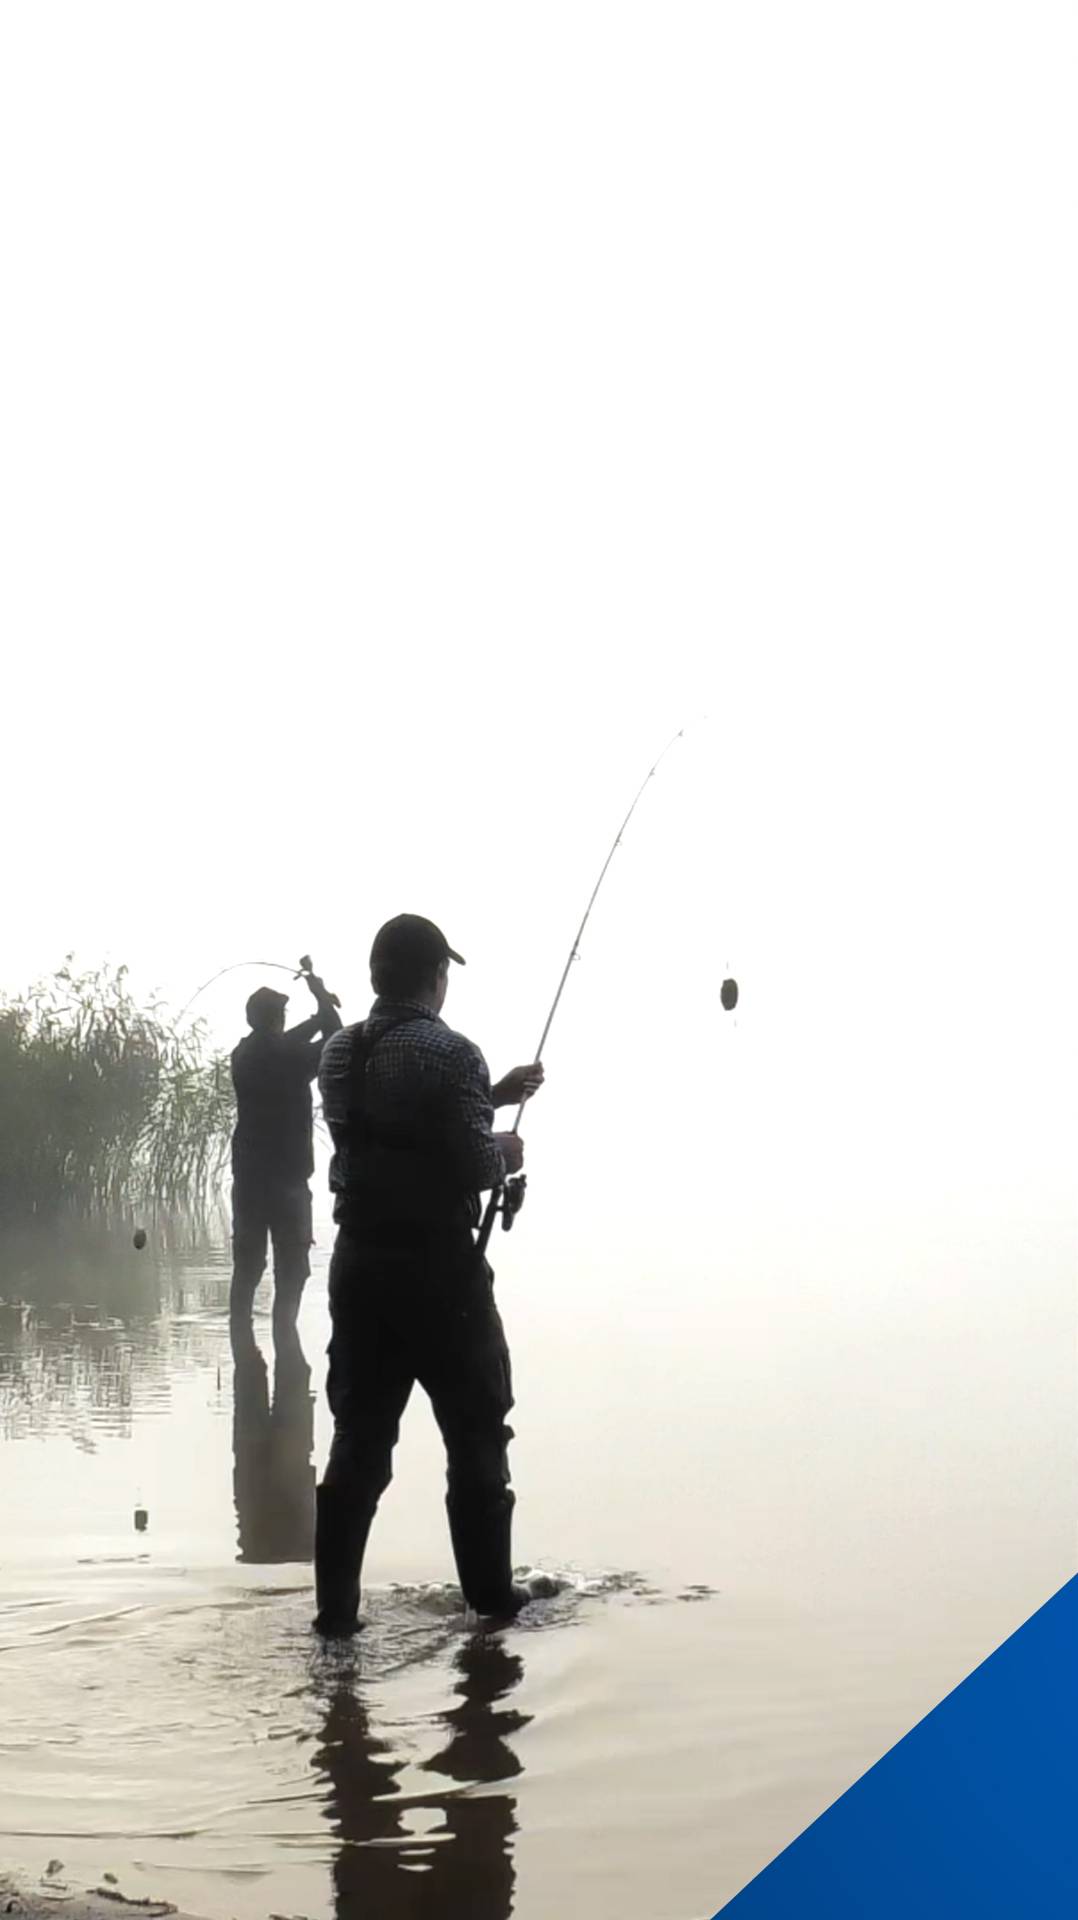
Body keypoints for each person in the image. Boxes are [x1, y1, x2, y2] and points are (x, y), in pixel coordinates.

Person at [313, 914, 544, 1636]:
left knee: (359, 1440)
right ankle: (490, 1608)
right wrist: (506, 1148)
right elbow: (474, 1162)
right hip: (441, 1273)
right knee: (476, 1435)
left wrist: (493, 1095)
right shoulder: (454, 1053)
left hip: (360, 1267)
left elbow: (394, 1123)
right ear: (434, 976)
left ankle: (335, 1622)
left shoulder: (338, 1054)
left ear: (379, 974)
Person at [229, 967, 341, 1332]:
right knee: (292, 1269)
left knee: (247, 1266)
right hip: (288, 1182)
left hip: (248, 1179)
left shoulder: (243, 1053)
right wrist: (322, 998)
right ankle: (284, 1336)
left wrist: (315, 1014)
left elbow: (287, 1040)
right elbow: (336, 1038)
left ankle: (240, 1337)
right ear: (277, 1018)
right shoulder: (289, 1059)